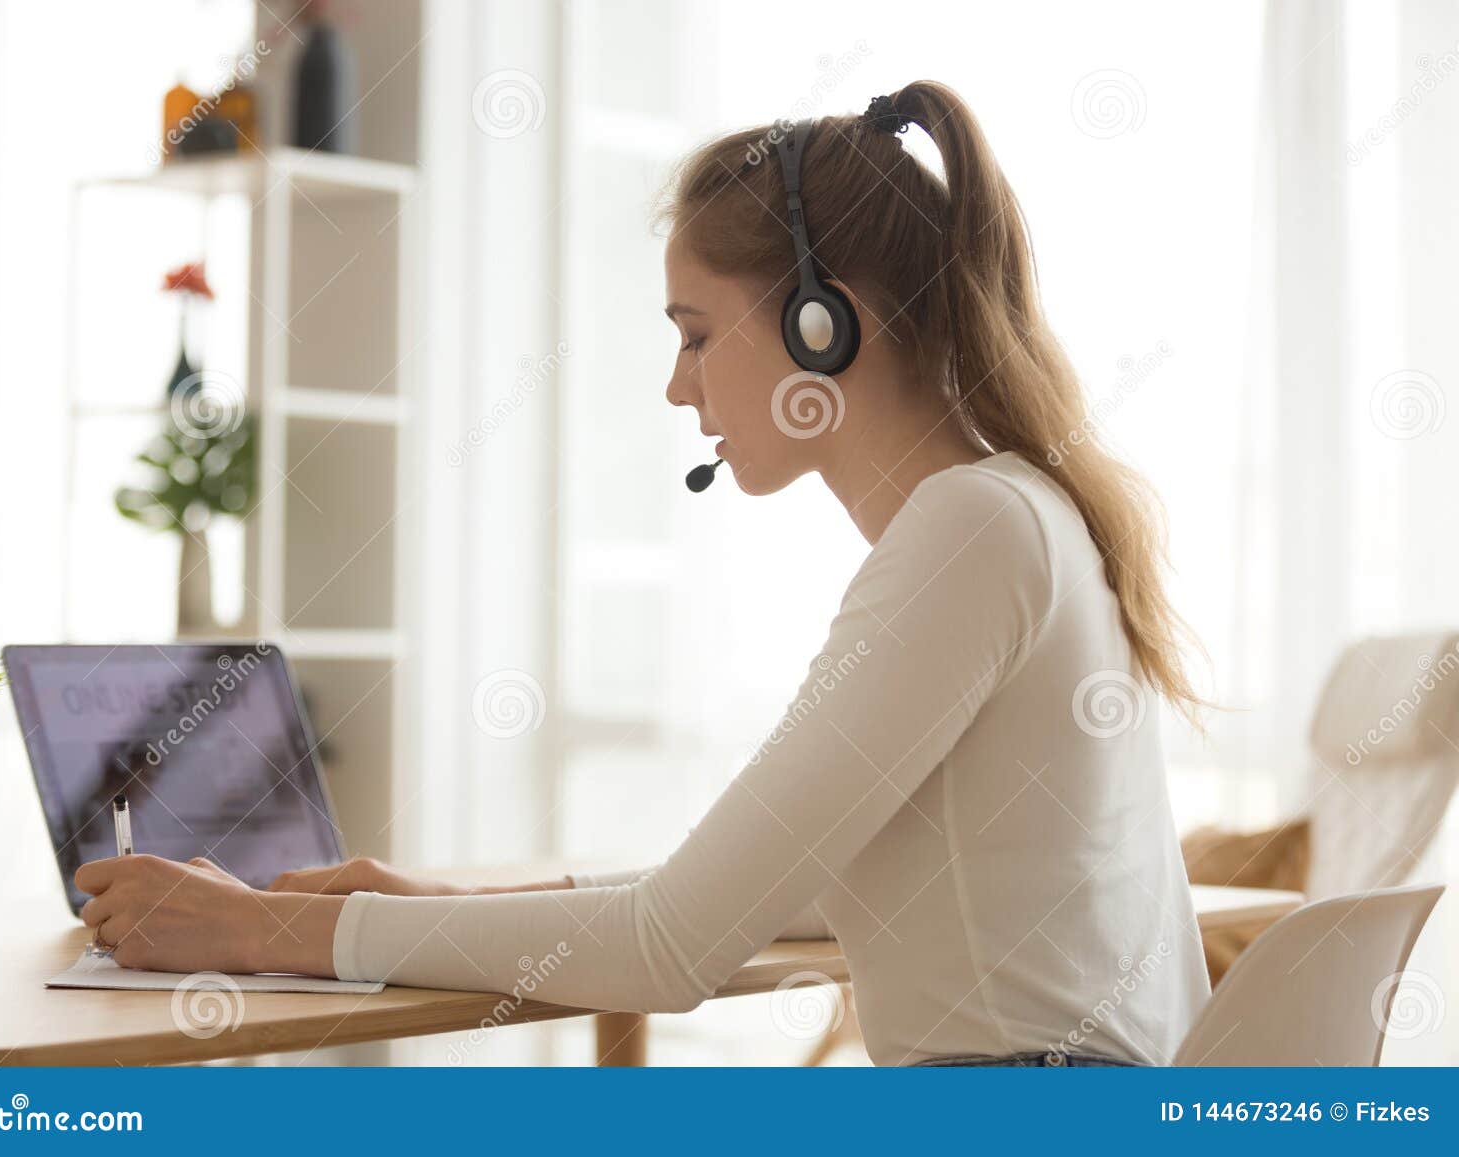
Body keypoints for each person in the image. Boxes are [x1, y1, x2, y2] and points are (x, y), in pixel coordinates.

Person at [76, 81, 1212, 1067]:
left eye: (697, 333)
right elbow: (793, 895)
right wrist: (446, 900)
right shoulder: (1014, 515)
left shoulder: (969, 532)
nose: (679, 385)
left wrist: (255, 931)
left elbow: (670, 949)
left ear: (824, 325)